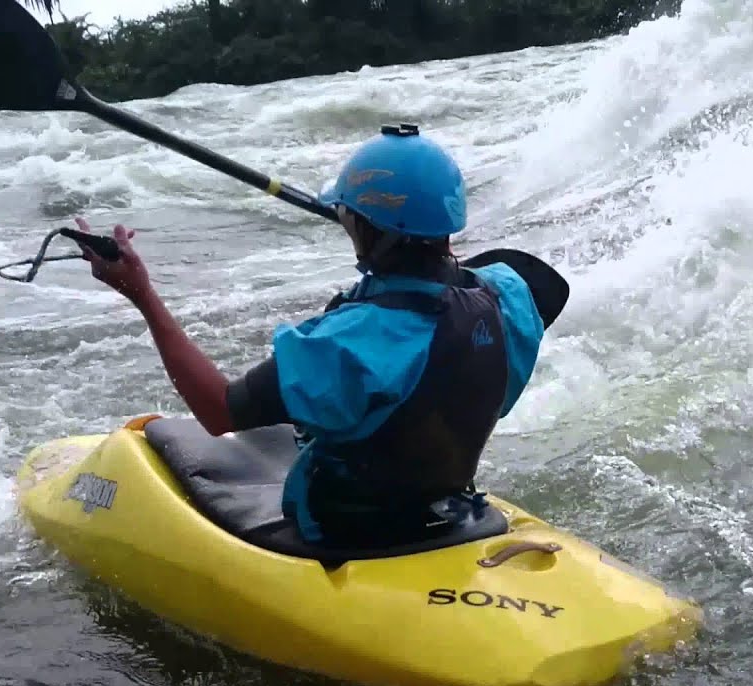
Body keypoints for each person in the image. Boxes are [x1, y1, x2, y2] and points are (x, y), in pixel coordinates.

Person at [77, 124, 546, 549]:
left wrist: (141, 294)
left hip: (352, 533)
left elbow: (219, 410)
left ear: (367, 228)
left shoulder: (348, 341)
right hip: (447, 511)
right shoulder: (504, 298)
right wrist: (422, 258)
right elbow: (543, 289)